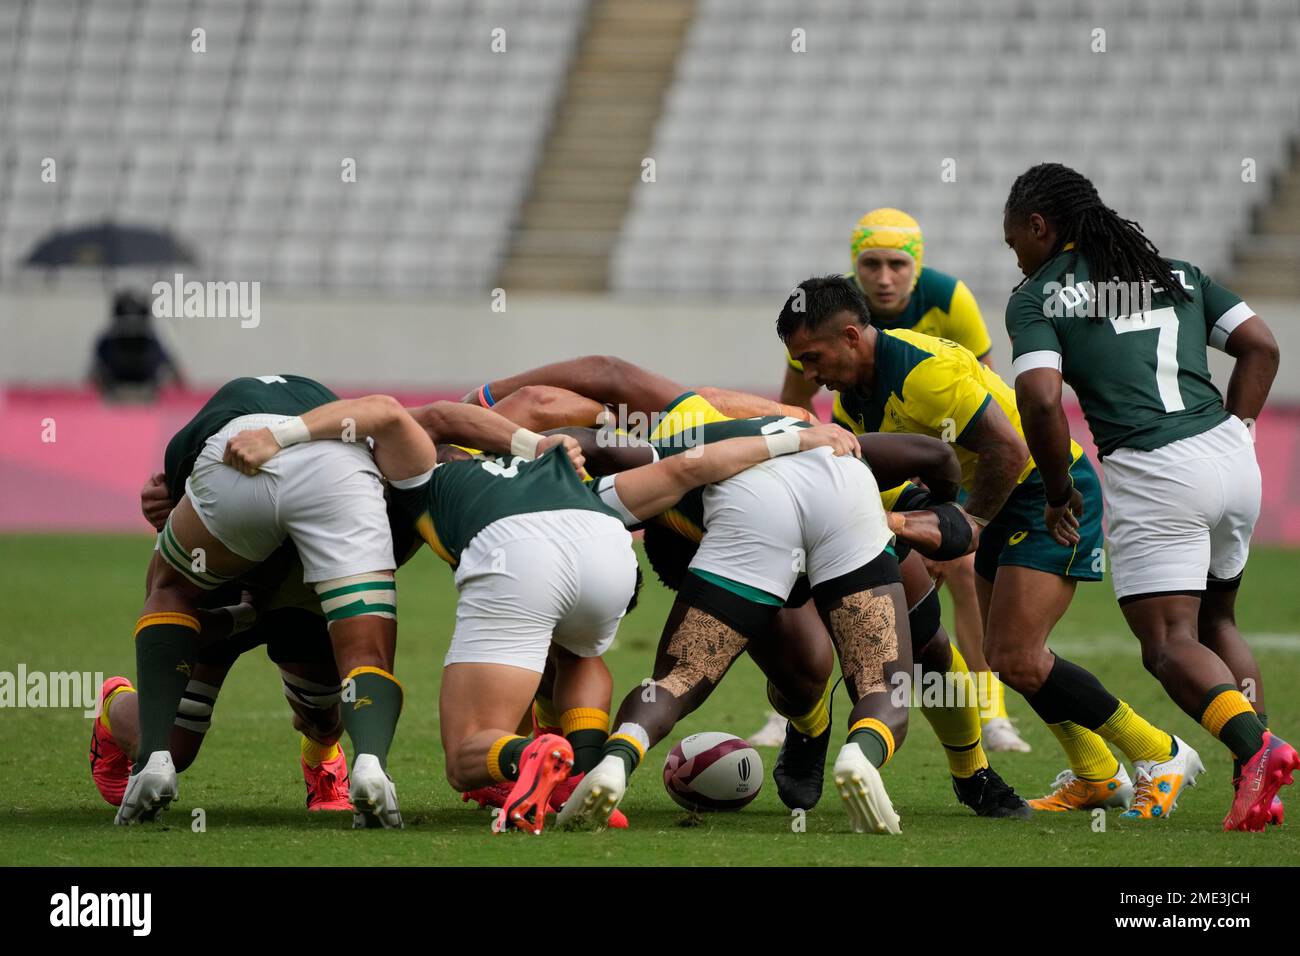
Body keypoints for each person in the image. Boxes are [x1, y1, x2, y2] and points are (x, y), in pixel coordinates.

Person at [225, 394, 857, 834]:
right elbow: (692, 466)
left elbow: (392, 412)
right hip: (604, 547)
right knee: (581, 651)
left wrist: (276, 436)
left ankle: (529, 759)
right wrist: (800, 437)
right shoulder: (566, 470)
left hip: (516, 555)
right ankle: (585, 780)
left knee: (468, 755)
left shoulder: (425, 476)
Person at [779, 276, 1203, 819]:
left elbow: (1007, 447)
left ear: (852, 335)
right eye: (800, 364)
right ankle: (1097, 773)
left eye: (813, 358)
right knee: (1008, 659)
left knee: (1015, 655)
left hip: (1047, 490)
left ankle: (1160, 752)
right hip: (996, 496)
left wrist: (963, 526)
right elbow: (892, 472)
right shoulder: (855, 397)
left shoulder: (921, 373)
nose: (808, 376)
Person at [1002, 161, 1295, 830]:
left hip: (1155, 469)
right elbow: (1261, 348)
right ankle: (1254, 785)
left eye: (1013, 237)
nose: (1014, 251)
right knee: (1219, 621)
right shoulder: (1178, 274)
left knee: (1168, 642)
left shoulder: (1039, 296)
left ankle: (1258, 752)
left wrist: (1056, 492)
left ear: (1040, 227)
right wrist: (1242, 433)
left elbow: (1042, 400)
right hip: (1230, 456)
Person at [779, 209, 1025, 753]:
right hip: (892, 461)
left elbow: (987, 393)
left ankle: (991, 711)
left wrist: (963, 511)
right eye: (872, 263)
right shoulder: (818, 321)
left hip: (966, 461)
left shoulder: (948, 300)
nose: (885, 277)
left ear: (916, 266)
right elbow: (795, 406)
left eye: (898, 264)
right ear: (855, 266)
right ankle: (800, 704)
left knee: (960, 566)